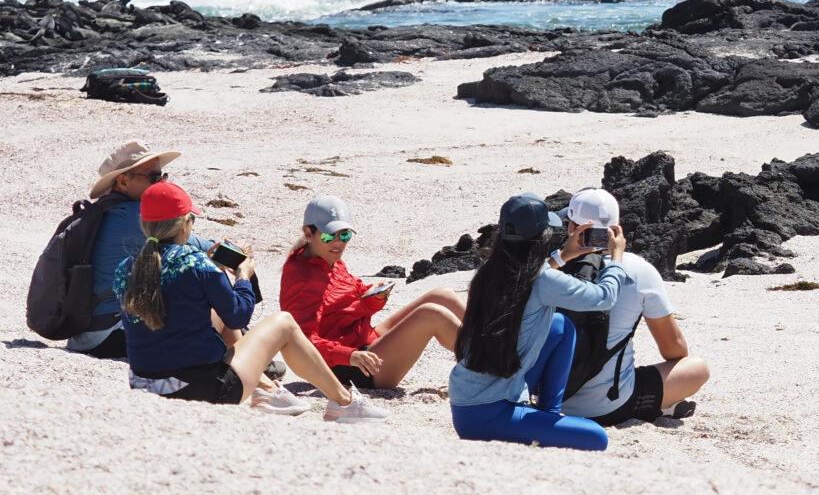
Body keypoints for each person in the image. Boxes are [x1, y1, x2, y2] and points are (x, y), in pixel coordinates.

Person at [116, 180, 389, 422]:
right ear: (185, 223)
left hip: (144, 386)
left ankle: (268, 391)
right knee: (284, 322)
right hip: (201, 389)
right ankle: (344, 402)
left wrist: (213, 272)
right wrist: (243, 276)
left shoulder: (128, 268)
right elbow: (239, 316)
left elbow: (172, 299)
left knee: (211, 313)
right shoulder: (197, 264)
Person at [448, 193, 632, 451]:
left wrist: (563, 256)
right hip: (487, 415)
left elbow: (526, 281)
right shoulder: (543, 281)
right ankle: (545, 421)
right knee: (596, 437)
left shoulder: (489, 268)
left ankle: (549, 414)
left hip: (467, 401)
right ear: (540, 239)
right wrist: (617, 258)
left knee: (560, 325)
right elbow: (603, 298)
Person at [554, 188, 709, 426]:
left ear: (572, 228)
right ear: (616, 229)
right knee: (697, 368)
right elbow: (674, 350)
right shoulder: (639, 270)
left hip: (549, 400)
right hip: (611, 406)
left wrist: (561, 257)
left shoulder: (551, 270)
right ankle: (662, 407)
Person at [281, 195, 467, 391]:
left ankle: (494, 343)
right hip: (354, 367)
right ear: (308, 233)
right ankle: (489, 363)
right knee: (431, 315)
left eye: (344, 235)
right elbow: (301, 342)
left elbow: (353, 301)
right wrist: (350, 355)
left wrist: (376, 296)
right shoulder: (301, 277)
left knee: (442, 295)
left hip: (366, 340)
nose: (338, 243)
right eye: (329, 236)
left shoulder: (330, 259)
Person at [70, 142, 211, 358]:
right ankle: (241, 357)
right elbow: (196, 245)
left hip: (86, 332)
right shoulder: (133, 215)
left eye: (162, 176)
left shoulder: (107, 212)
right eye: (154, 177)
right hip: (108, 334)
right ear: (124, 181)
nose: (161, 182)